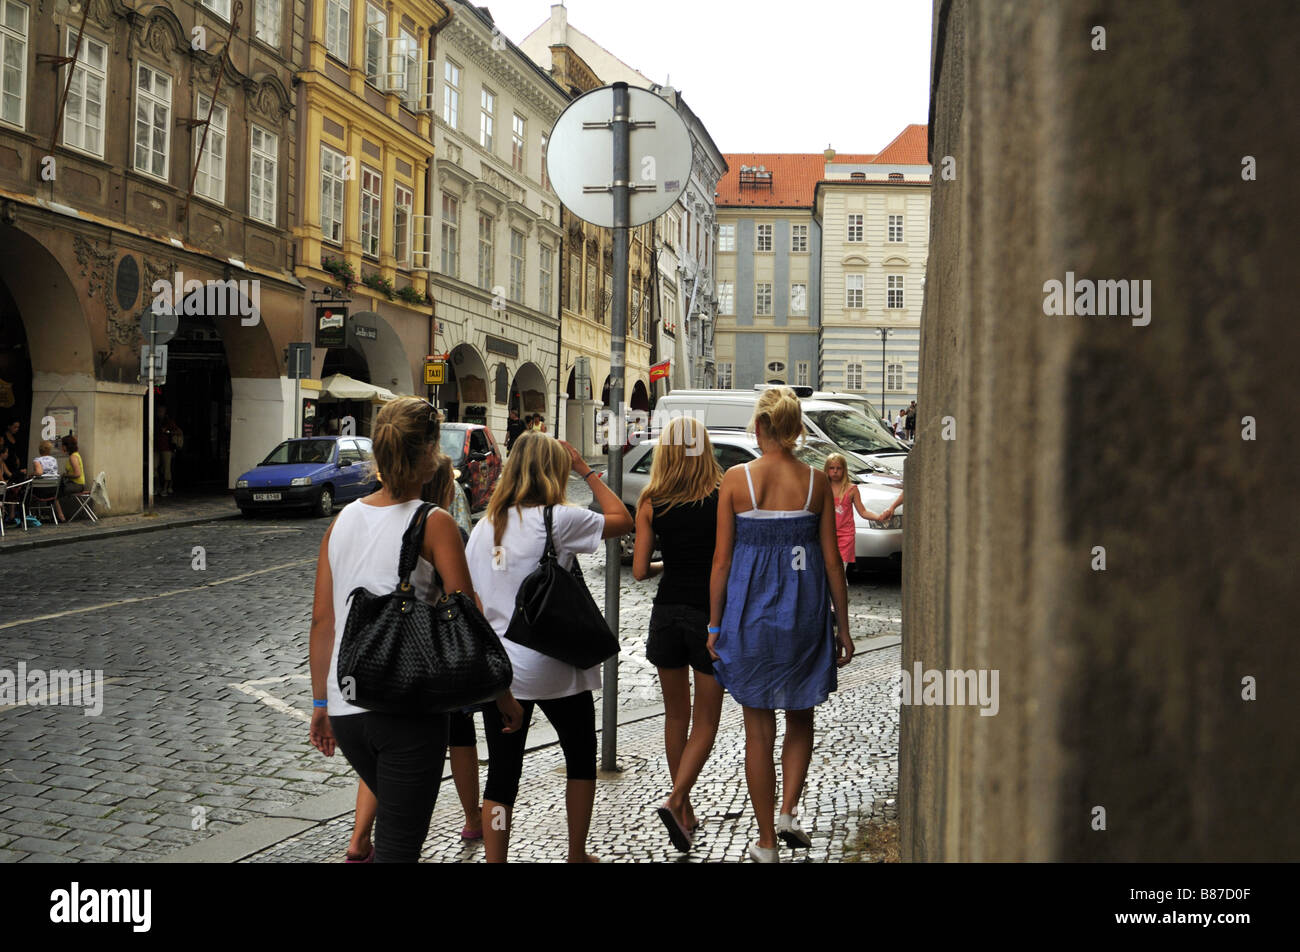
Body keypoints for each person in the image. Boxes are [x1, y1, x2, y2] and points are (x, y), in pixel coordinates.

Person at [308, 396, 523, 863]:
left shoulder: (342, 520)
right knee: (399, 850)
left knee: (394, 843)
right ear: (426, 452)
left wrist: (320, 704)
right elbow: (468, 615)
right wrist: (501, 693)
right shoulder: (434, 521)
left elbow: (324, 621)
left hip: (348, 708)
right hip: (406, 710)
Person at [465, 430, 633, 862]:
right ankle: (577, 852)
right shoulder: (560, 519)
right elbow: (621, 518)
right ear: (552, 470)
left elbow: (475, 602)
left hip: (503, 674)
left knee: (502, 774)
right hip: (558, 667)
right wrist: (585, 470)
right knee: (580, 759)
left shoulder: (484, 528)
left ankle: (496, 859)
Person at [707, 387, 854, 863]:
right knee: (801, 715)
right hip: (804, 614)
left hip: (750, 617)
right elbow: (833, 564)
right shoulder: (816, 484)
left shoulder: (735, 479)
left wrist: (714, 625)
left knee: (757, 733)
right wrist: (844, 627)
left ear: (760, 426)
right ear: (793, 428)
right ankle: (789, 809)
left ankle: (767, 841)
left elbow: (722, 564)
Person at [633, 417, 724, 853]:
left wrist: (670, 563)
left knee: (675, 717)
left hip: (665, 615)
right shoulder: (721, 496)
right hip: (708, 618)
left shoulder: (651, 499)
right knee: (706, 720)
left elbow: (637, 571)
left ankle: (684, 809)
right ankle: (675, 800)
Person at [824, 453, 891, 573]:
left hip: (845, 535)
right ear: (826, 469)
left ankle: (840, 590)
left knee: (840, 570)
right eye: (831, 468)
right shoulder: (823, 487)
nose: (835, 471)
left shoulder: (851, 489)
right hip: (827, 535)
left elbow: (863, 511)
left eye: (838, 468)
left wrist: (879, 517)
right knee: (825, 570)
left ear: (844, 470)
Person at [32, 440, 66, 522]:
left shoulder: (37, 460)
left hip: (41, 491)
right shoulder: (54, 460)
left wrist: (32, 473)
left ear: (40, 450)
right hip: (54, 489)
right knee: (54, 498)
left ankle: (33, 515)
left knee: (29, 492)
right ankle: (61, 516)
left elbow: (39, 472)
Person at [155, 408, 182, 496]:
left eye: (161, 411)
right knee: (154, 468)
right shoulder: (155, 421)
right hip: (156, 448)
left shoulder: (169, 422)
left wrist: (167, 431)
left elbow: (178, 432)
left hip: (167, 448)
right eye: (158, 411)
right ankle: (157, 486)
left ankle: (165, 488)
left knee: (166, 470)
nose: (159, 413)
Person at [59, 435, 86, 505]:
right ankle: (60, 513)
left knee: (55, 491)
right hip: (77, 485)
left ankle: (59, 514)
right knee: (56, 491)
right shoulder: (75, 455)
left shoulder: (73, 457)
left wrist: (65, 475)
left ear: (67, 446)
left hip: (77, 485)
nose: (61, 447)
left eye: (62, 445)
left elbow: (77, 474)